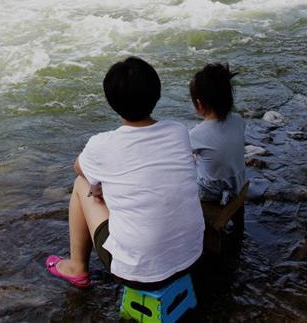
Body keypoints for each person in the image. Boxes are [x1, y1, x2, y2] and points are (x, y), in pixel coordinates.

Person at [45, 57, 204, 289]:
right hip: (191, 258)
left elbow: (78, 167)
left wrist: (97, 184)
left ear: (112, 102)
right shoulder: (178, 131)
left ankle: (77, 267)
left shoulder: (102, 144)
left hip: (138, 273)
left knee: (81, 183)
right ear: (157, 94)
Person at [188, 63, 246, 206]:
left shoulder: (196, 134)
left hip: (211, 192)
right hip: (237, 182)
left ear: (199, 103)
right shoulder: (238, 119)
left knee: (188, 163)